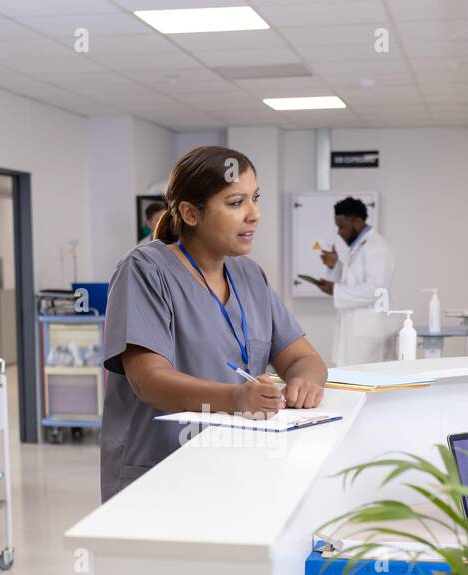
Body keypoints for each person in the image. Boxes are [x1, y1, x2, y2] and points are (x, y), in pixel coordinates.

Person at [101, 145, 329, 502]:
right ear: (191, 213)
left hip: (237, 467)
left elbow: (304, 358)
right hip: (160, 475)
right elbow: (148, 380)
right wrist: (237, 397)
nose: (254, 214)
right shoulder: (145, 270)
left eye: (255, 198)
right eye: (236, 202)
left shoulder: (249, 275)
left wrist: (306, 382)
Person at [316, 196, 396, 366]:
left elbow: (376, 290)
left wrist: (335, 290)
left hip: (371, 334)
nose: (339, 232)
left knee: (366, 383)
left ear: (358, 222)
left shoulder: (377, 247)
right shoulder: (360, 247)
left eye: (342, 227)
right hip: (356, 333)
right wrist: (335, 266)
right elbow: (354, 281)